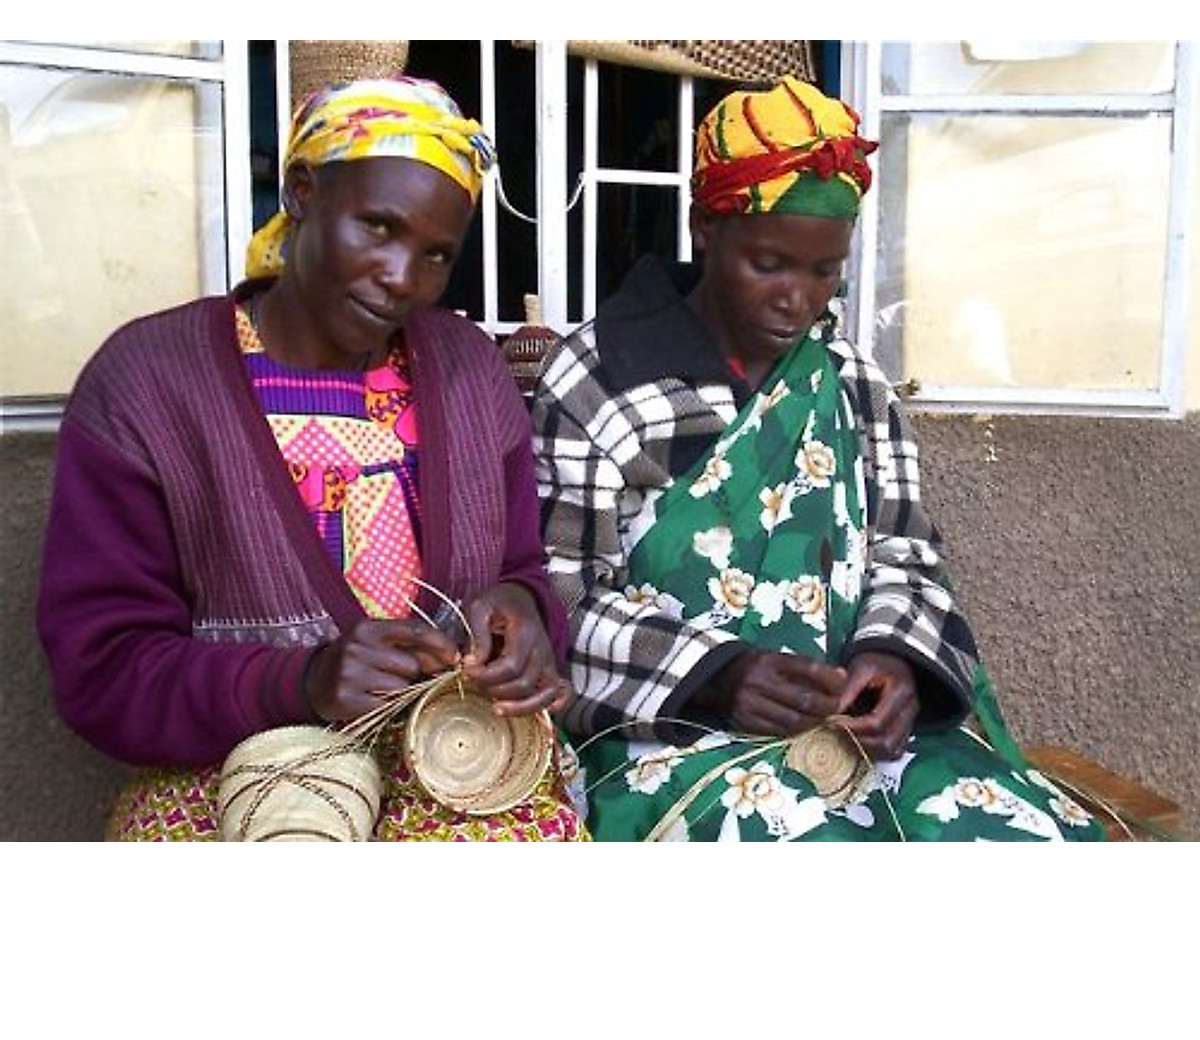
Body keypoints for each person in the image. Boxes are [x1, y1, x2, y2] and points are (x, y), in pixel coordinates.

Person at [530, 76, 1105, 841]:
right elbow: (560, 596)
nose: (795, 300)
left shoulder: (851, 381)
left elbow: (906, 552)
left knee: (1017, 836)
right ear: (706, 228)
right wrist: (718, 675)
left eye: (823, 271)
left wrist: (892, 661)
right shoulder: (598, 378)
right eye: (770, 263)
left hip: (857, 743)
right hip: (672, 740)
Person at [37, 75, 586, 842]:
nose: (402, 279)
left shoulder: (471, 370)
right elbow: (102, 670)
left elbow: (523, 571)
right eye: (379, 228)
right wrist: (299, 680)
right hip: (232, 770)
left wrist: (524, 613)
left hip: (458, 760)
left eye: (435, 255)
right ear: (301, 193)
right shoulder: (148, 383)